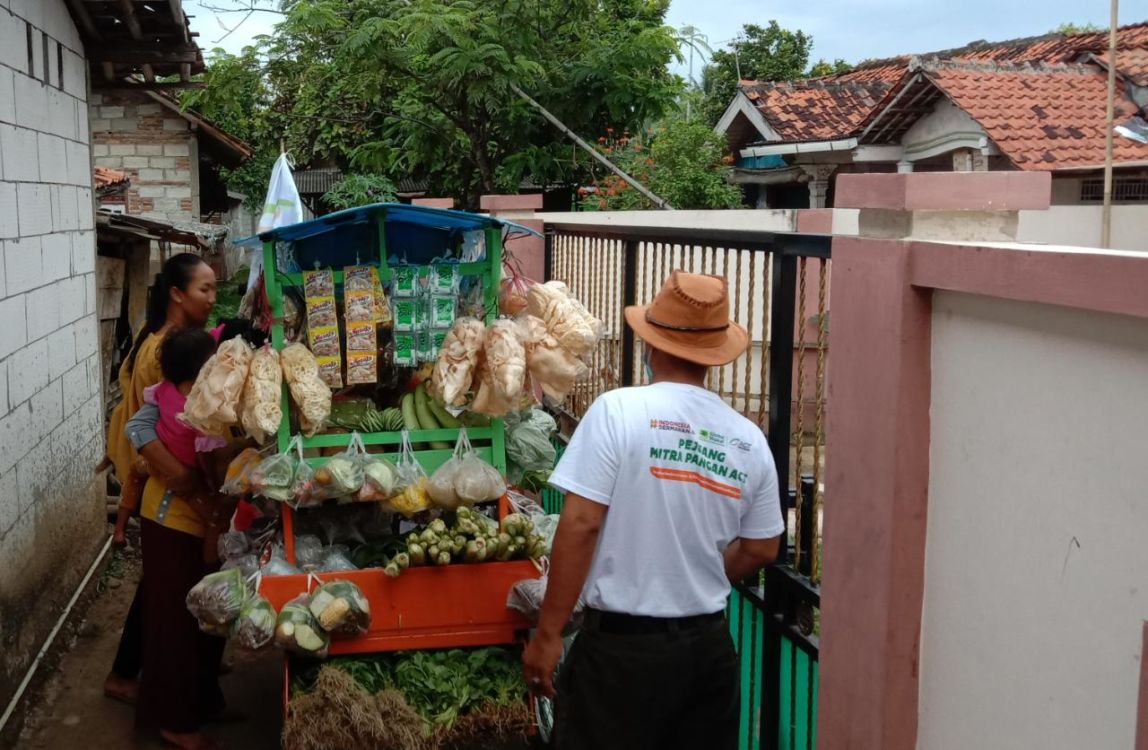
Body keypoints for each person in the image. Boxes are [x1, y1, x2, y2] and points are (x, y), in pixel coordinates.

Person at [522, 270, 785, 750]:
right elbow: (764, 545)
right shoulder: (748, 438)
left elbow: (581, 523)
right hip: (707, 651)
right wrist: (701, 572)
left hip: (623, 656)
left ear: (651, 345)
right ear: (714, 356)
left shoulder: (618, 411)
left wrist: (548, 633)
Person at [103, 253, 218, 710]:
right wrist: (186, 481)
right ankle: (131, 677)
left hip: (163, 484)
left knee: (162, 588)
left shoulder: (171, 339)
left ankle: (167, 673)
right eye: (204, 289)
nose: (212, 298)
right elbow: (150, 427)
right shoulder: (164, 349)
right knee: (162, 593)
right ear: (176, 293)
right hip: (164, 486)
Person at [138, 328, 236, 563]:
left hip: (164, 480)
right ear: (202, 371)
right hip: (181, 491)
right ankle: (210, 566)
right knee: (216, 518)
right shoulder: (198, 411)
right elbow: (204, 455)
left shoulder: (162, 390)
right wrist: (212, 484)